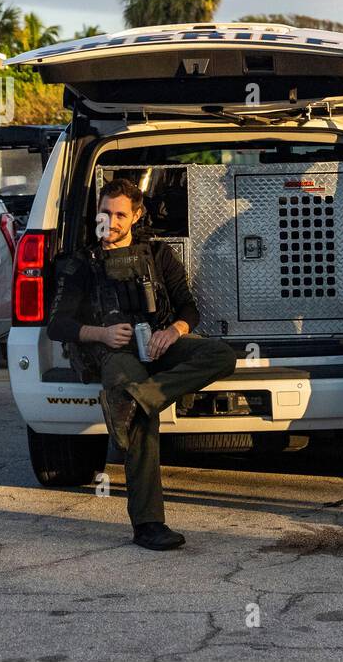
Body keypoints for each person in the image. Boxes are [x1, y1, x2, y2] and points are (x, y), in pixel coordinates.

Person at [47, 177, 237, 551]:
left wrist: (174, 331)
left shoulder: (159, 254)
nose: (112, 221)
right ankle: (149, 524)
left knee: (220, 355)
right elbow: (58, 325)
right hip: (114, 353)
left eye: (120, 214)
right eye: (105, 213)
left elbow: (188, 306)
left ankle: (137, 398)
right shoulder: (81, 263)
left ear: (136, 215)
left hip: (159, 344)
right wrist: (100, 334)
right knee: (143, 420)